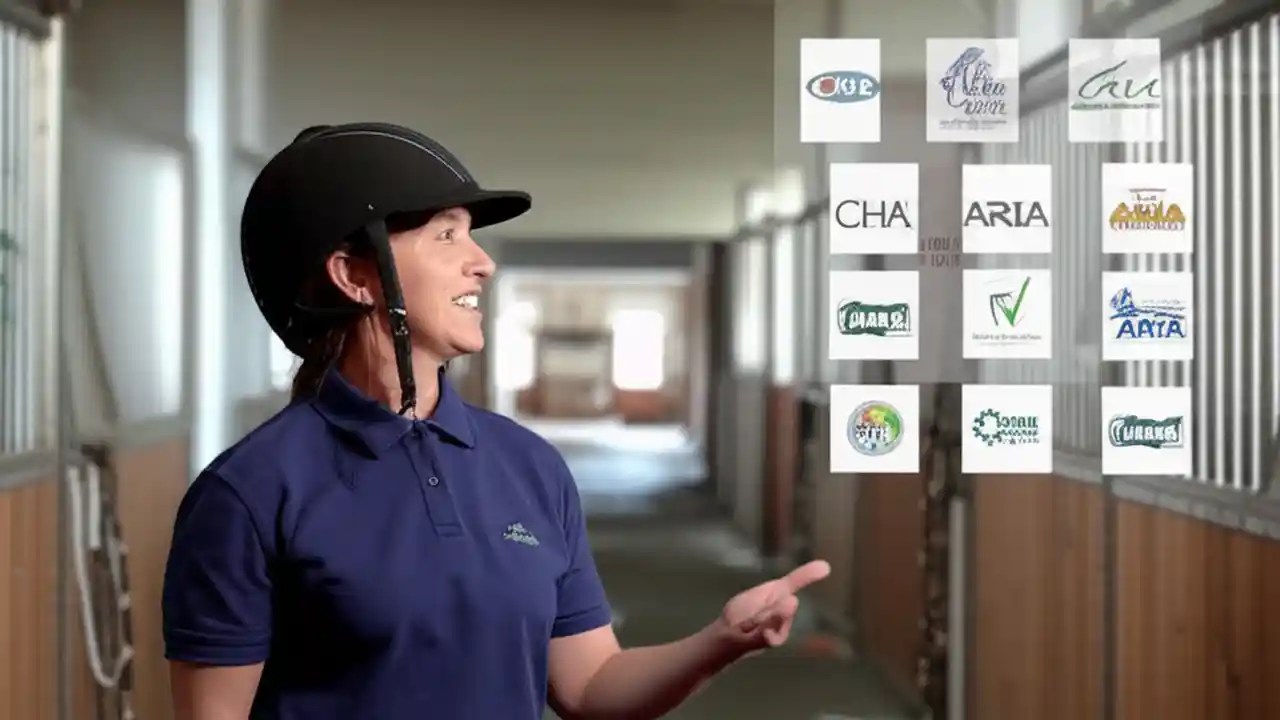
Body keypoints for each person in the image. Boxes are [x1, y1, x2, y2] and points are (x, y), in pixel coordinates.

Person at [161, 121, 831, 720]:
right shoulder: (250, 493)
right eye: (446, 234)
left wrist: (719, 642)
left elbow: (592, 685)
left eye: (472, 235)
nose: (481, 262)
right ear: (353, 276)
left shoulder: (528, 466)